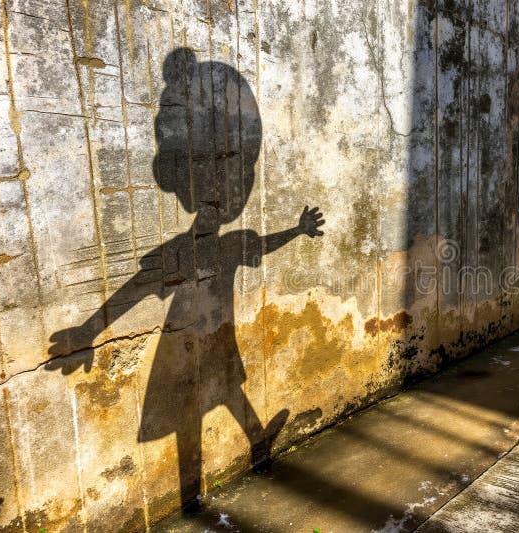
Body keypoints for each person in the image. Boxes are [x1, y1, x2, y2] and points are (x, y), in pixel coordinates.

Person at [47, 47, 324, 511]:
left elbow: (262, 243)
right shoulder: (182, 251)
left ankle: (253, 446)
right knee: (193, 413)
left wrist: (296, 230)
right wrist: (89, 330)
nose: (217, 196)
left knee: (226, 392)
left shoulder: (227, 244)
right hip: (185, 343)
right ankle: (192, 492)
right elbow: (133, 292)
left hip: (212, 336)